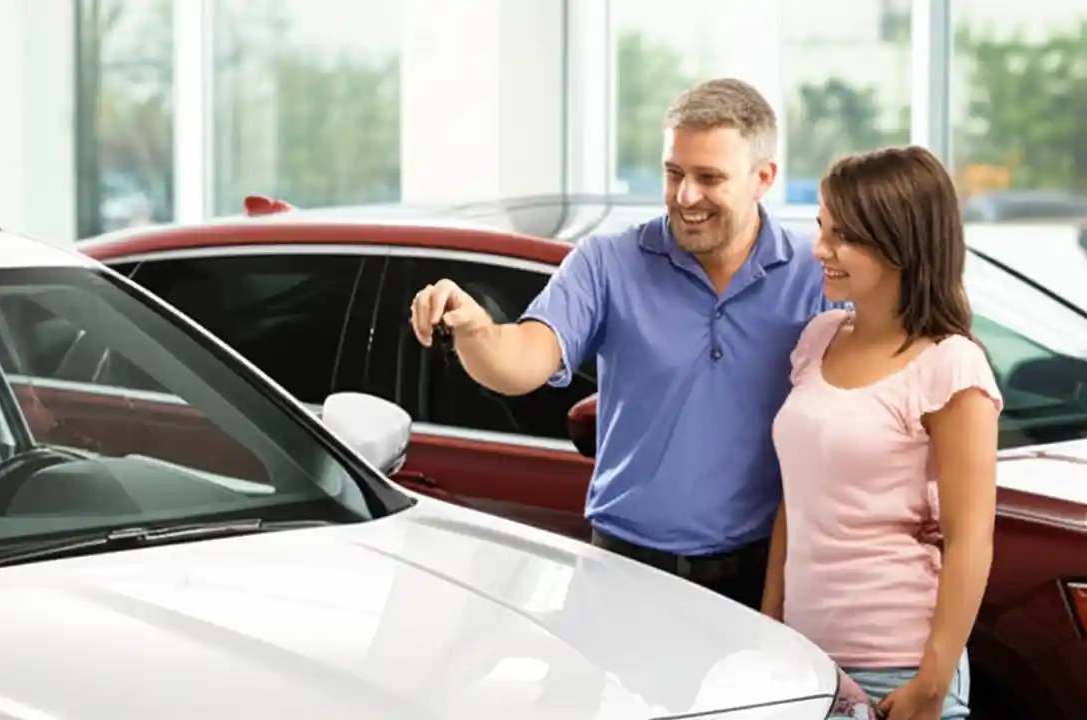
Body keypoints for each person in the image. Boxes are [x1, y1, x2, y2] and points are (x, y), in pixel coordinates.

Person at [408, 77, 831, 609]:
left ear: (763, 178)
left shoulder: (815, 278)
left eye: (709, 178)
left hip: (762, 575)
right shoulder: (606, 263)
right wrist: (475, 328)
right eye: (673, 173)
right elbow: (522, 362)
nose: (685, 196)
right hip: (623, 571)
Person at [765, 145, 1001, 720]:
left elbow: (971, 539)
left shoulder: (950, 365)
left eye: (843, 236)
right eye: (823, 228)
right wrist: (769, 620)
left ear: (900, 243)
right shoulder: (819, 338)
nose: (821, 249)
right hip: (803, 655)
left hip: (897, 664)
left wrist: (931, 682)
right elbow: (797, 499)